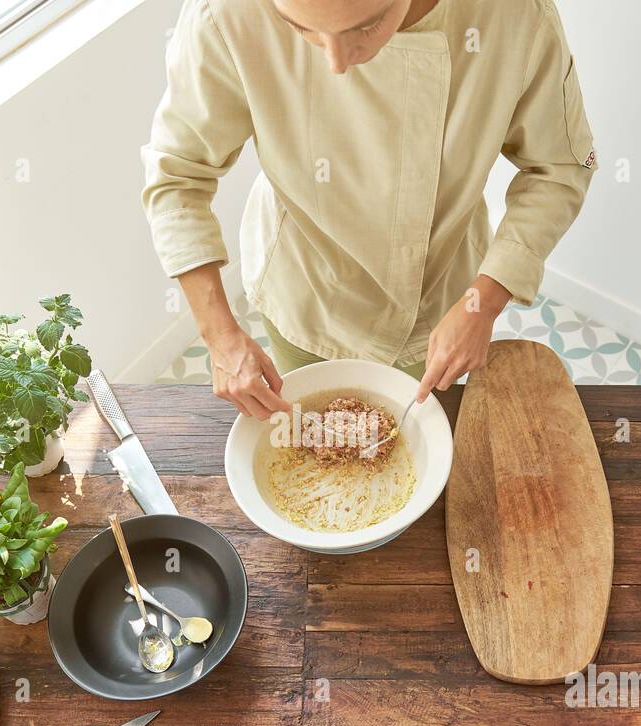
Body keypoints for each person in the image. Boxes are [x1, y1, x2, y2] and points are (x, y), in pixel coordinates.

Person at [143, 0, 596, 419]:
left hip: (446, 306)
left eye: (367, 25)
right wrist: (219, 335)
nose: (337, 63)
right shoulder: (228, 12)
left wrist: (485, 302)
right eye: (300, 28)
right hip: (305, 300)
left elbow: (558, 168)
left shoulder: (514, 16)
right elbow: (178, 175)